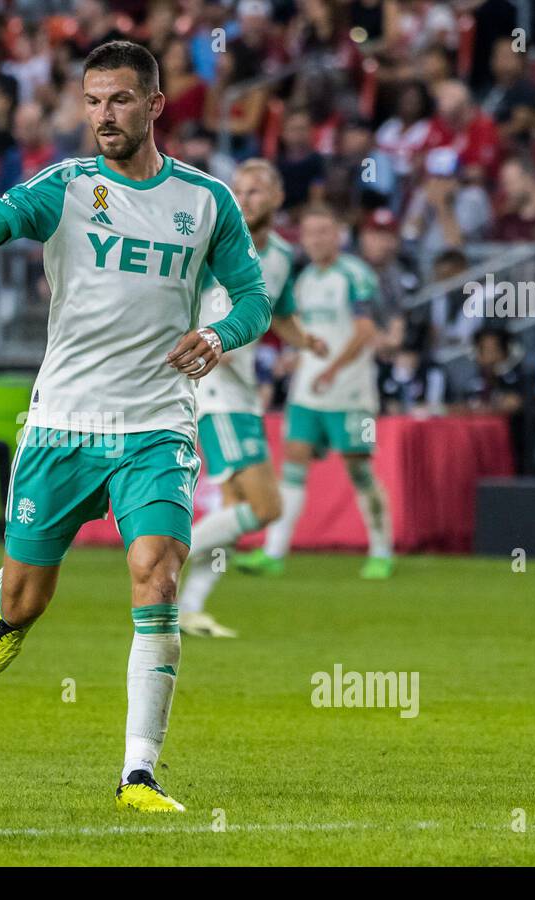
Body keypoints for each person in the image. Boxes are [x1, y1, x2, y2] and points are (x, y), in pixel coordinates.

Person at [0, 41, 270, 813]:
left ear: (156, 105)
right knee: (28, 598)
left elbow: (254, 297)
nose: (104, 115)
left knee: (157, 572)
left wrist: (221, 335)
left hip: (156, 424)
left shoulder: (206, 202)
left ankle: (138, 775)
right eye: (93, 101)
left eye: (121, 99)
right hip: (62, 423)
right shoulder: (66, 186)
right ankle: (8, 611)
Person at [177, 159, 325, 639]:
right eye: (239, 189)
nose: (245, 198)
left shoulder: (281, 254)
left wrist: (307, 342)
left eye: (257, 190)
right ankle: (163, 564)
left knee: (238, 510)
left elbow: (279, 313)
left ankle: (189, 608)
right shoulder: (213, 241)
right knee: (267, 507)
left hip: (242, 392)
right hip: (213, 386)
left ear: (279, 198)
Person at [237, 204, 395, 580]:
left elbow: (365, 330)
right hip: (307, 390)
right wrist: (295, 357)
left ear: (339, 234)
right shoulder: (304, 279)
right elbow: (304, 331)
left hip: (350, 391)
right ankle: (274, 551)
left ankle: (381, 550)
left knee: (359, 468)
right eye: (310, 233)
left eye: (324, 231)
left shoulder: (355, 275)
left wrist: (333, 369)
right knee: (293, 462)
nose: (316, 240)